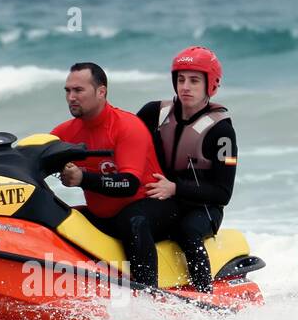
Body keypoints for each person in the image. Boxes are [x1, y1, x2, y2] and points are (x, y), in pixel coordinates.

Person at [52, 62, 177, 288]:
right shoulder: (65, 132)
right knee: (57, 218)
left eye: (78, 90)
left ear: (102, 91)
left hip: (152, 206)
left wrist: (83, 178)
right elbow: (33, 154)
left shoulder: (127, 126)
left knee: (133, 222)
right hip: (105, 215)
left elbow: (129, 184)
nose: (71, 97)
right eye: (68, 91)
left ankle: (149, 297)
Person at [136, 46, 238, 293]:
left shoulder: (222, 132)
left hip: (204, 207)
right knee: (136, 222)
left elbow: (223, 193)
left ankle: (205, 295)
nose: (185, 87)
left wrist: (175, 188)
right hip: (165, 199)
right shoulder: (154, 113)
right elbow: (123, 137)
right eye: (180, 80)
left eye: (194, 81)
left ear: (210, 85)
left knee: (188, 232)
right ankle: (142, 289)